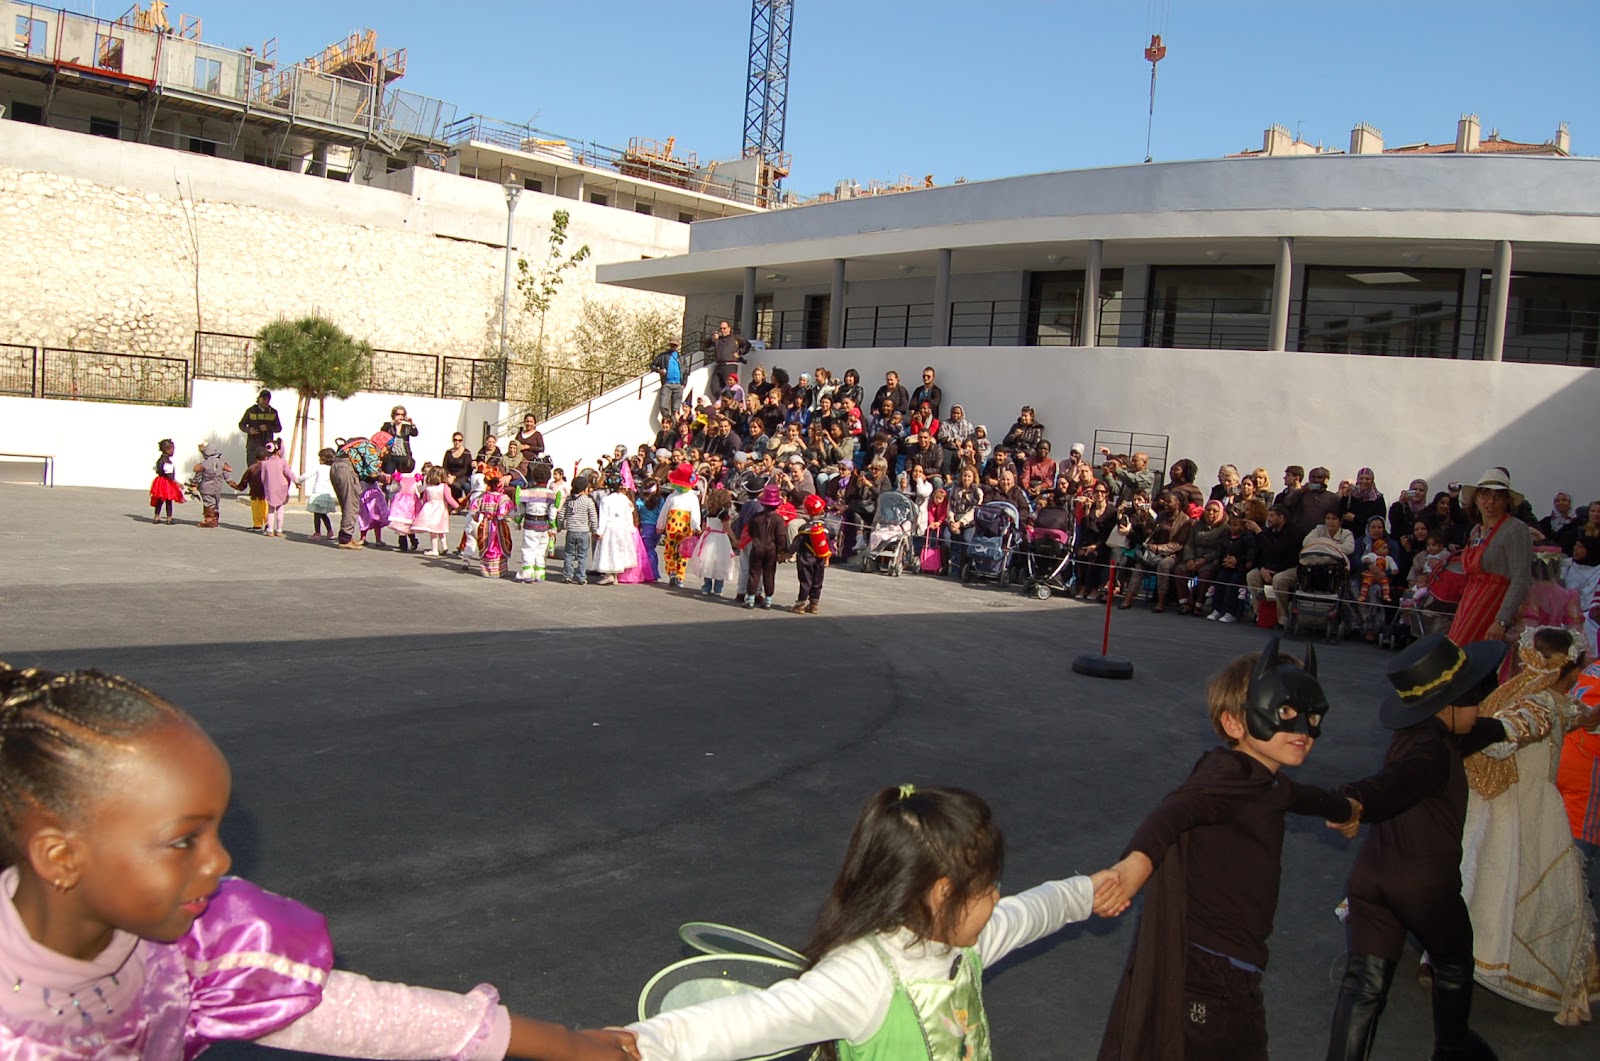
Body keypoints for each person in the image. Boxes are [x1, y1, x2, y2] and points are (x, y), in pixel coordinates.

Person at [0, 663, 639, 1060]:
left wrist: (565, 1045)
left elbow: (358, 1015)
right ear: (61, 856)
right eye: (183, 840)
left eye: (215, 830)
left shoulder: (194, 942)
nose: (220, 860)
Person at [629, 784, 1114, 1060]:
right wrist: (634, 1045)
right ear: (944, 893)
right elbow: (739, 1022)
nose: (998, 897)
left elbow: (1037, 909)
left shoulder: (963, 942)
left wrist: (1103, 885)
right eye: (988, 887)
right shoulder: (864, 977)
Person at [1096, 643, 1357, 1060]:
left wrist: (1345, 809)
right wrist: (1133, 868)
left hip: (1229, 964)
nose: (1303, 731)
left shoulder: (1264, 779)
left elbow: (1301, 797)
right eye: (1285, 714)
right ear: (1235, 724)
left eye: (1311, 717)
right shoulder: (1229, 779)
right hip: (1213, 969)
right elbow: (1174, 813)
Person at [1324, 632, 1510, 1061]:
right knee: (1454, 962)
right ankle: (1451, 1050)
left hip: (1370, 881)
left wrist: (1506, 727)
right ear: (1448, 704)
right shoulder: (1432, 752)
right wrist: (1355, 799)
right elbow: (1398, 782)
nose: (1479, 707)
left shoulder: (1424, 734)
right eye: (1475, 698)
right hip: (1423, 885)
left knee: (1363, 989)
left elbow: (1472, 733)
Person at [1460, 627, 1598, 1024]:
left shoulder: (1540, 699)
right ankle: (1497, 964)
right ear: (1569, 670)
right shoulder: (1540, 704)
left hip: (1507, 802)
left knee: (1489, 878)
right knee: (1531, 888)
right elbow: (1504, 738)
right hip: (1528, 808)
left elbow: (1583, 716)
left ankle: (1464, 957)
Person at [1449, 467, 1534, 646]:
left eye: (1498, 496)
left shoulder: (1515, 529)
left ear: (1506, 501)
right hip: (1469, 605)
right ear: (1476, 500)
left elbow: (1521, 579)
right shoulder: (1476, 531)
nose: (1491, 502)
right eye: (1485, 495)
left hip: (1495, 607)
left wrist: (1501, 621)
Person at [657, 464, 701, 588]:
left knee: (670, 551)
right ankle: (680, 577)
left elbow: (664, 512)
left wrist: (660, 525)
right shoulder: (693, 498)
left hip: (672, 527)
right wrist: (696, 527)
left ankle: (671, 572)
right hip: (686, 529)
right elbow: (695, 515)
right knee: (683, 553)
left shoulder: (671, 497)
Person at [790, 493, 833, 613]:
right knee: (817, 581)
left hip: (806, 558)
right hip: (820, 557)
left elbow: (796, 543)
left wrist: (787, 553)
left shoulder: (804, 528)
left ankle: (800, 604)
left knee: (805, 581)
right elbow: (830, 538)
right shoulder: (826, 526)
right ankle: (814, 604)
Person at [592, 471, 636, 587]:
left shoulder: (606, 500)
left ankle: (609, 574)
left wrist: (599, 531)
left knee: (608, 549)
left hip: (610, 527)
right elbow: (628, 514)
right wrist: (630, 528)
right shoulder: (624, 499)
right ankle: (615, 575)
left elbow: (603, 516)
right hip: (622, 527)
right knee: (618, 549)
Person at [468, 472, 515, 579]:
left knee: (487, 544)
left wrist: (478, 517)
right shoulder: (503, 498)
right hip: (499, 526)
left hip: (485, 524)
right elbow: (507, 513)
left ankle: (486, 570)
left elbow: (474, 511)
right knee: (498, 545)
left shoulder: (482, 496)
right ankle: (498, 570)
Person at [559, 475, 598, 586]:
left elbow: (561, 514)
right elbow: (593, 516)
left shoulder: (569, 500)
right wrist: (595, 530)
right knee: (582, 555)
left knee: (569, 554)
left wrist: (559, 526)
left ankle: (567, 576)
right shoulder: (588, 501)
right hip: (584, 532)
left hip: (571, 530)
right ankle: (581, 577)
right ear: (585, 489)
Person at [413, 466, 460, 557]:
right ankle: (444, 546)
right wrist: (457, 506)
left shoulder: (428, 488)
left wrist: (421, 509)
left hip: (430, 508)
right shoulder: (444, 487)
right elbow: (449, 499)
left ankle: (434, 549)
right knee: (440, 528)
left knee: (433, 530)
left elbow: (425, 499)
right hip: (441, 508)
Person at [257, 441, 297, 539]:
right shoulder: (283, 462)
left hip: (270, 488)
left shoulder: (265, 464)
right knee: (280, 509)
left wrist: (266, 486)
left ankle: (270, 529)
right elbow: (288, 473)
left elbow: (263, 478)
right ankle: (279, 529)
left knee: (270, 509)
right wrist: (297, 481)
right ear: (279, 451)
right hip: (281, 488)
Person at [298, 448, 338, 540]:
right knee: (324, 514)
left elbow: (305, 475)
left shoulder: (319, 467)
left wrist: (298, 481)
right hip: (327, 494)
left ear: (323, 458)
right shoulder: (333, 468)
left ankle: (317, 533)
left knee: (317, 514)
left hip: (317, 493)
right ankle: (330, 532)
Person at [386, 457, 423, 552]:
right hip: (412, 501)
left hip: (400, 502)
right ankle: (413, 540)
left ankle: (403, 545)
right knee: (409, 522)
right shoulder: (415, 478)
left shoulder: (399, 477)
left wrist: (388, 487)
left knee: (400, 523)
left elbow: (392, 489)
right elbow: (420, 489)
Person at [192, 443, 232, 530]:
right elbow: (227, 476)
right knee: (216, 504)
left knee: (208, 504)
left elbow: (198, 476)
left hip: (206, 489)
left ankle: (209, 521)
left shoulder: (203, 464)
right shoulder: (222, 463)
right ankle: (215, 519)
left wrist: (194, 483)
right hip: (217, 488)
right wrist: (234, 484)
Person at [237, 389, 281, 467]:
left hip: (267, 447)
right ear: (259, 398)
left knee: (266, 471)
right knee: (253, 470)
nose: (266, 402)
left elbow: (278, 428)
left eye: (268, 400)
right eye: (264, 399)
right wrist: (249, 430)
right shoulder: (251, 411)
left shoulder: (273, 412)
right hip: (253, 446)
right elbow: (241, 425)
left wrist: (268, 427)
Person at [710, 320, 750, 398]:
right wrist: (712, 339)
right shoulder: (718, 339)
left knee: (729, 386)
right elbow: (705, 344)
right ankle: (721, 402)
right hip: (719, 365)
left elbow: (747, 344)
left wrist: (740, 352)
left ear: (729, 329)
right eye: (720, 328)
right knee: (714, 386)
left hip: (730, 365)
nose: (722, 330)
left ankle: (730, 403)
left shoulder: (735, 337)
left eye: (724, 328)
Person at [148, 438, 184, 524]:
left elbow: (157, 469)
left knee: (159, 500)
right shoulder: (168, 462)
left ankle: (156, 517)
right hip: (167, 482)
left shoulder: (159, 460)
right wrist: (177, 483)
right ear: (168, 450)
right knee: (168, 500)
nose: (173, 451)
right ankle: (169, 518)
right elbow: (169, 475)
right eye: (172, 449)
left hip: (159, 481)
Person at [379, 406, 419, 476]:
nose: (400, 416)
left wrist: (412, 423)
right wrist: (393, 422)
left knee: (403, 477)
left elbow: (415, 433)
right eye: (398, 414)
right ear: (393, 415)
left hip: (403, 455)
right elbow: (383, 431)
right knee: (388, 476)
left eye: (402, 414)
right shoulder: (388, 425)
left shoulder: (406, 427)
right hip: (391, 456)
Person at [444, 432, 475, 503]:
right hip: (449, 475)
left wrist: (454, 476)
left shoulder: (466, 453)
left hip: (462, 475)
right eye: (455, 440)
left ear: (462, 441)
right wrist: (449, 475)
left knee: (455, 485)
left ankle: (457, 504)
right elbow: (445, 466)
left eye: (459, 440)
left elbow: (465, 469)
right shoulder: (448, 452)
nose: (457, 442)